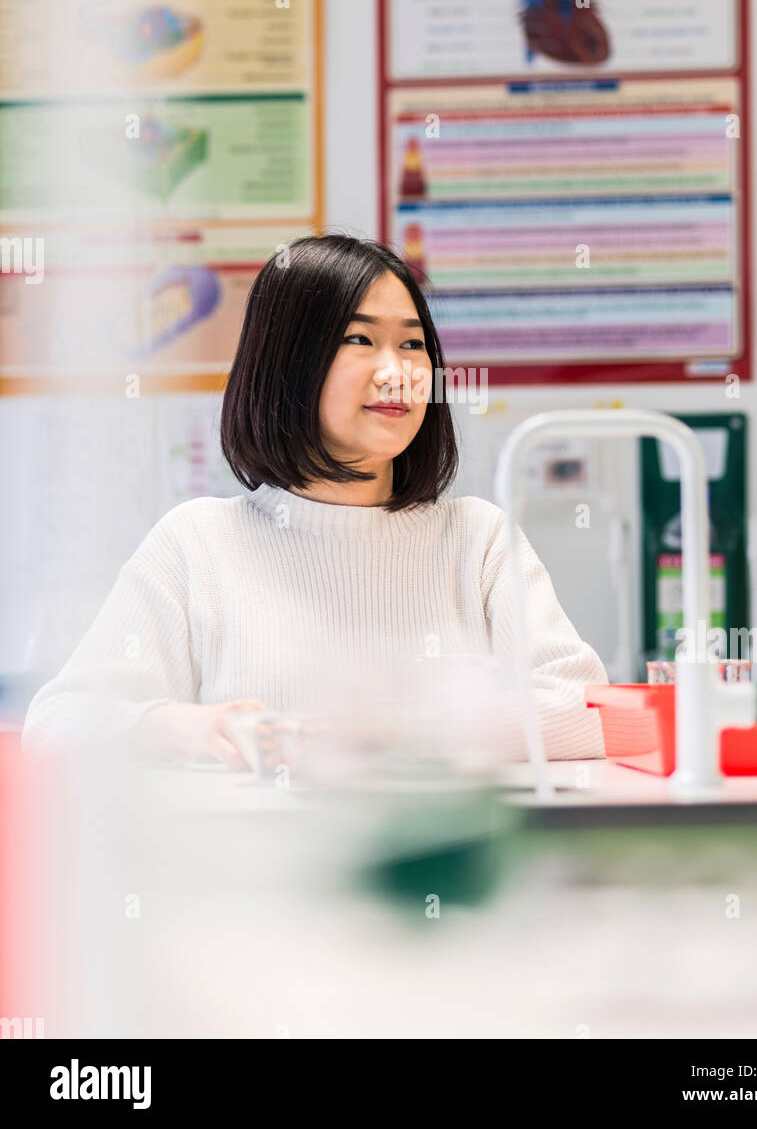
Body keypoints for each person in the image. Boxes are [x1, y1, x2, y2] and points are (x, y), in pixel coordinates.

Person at [21, 233, 607, 767]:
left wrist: (399, 731)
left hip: (433, 869)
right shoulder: (198, 542)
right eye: (360, 338)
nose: (397, 371)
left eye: (412, 343)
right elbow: (58, 722)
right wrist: (186, 728)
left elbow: (588, 712)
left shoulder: (477, 539)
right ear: (287, 364)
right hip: (254, 873)